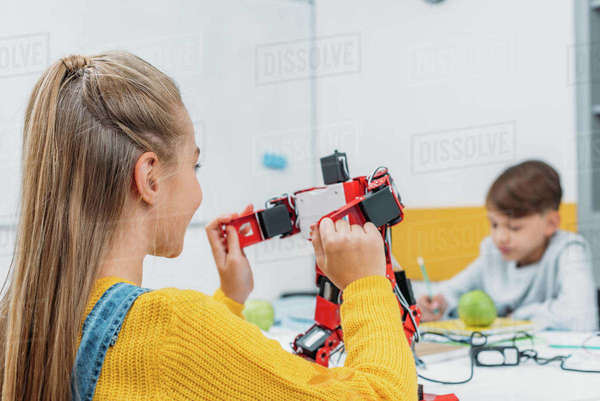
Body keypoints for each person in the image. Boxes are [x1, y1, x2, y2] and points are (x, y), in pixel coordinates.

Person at [0, 52, 417, 401]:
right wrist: (364, 285)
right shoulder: (174, 328)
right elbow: (382, 394)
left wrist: (230, 297)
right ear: (149, 178)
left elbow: (165, 374)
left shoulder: (20, 324)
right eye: (193, 164)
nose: (198, 190)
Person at [417, 160, 599, 331]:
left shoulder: (569, 250)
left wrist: (518, 316)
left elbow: (581, 317)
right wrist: (439, 303)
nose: (500, 237)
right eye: (494, 225)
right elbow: (453, 289)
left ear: (551, 223)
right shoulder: (494, 251)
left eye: (514, 227)